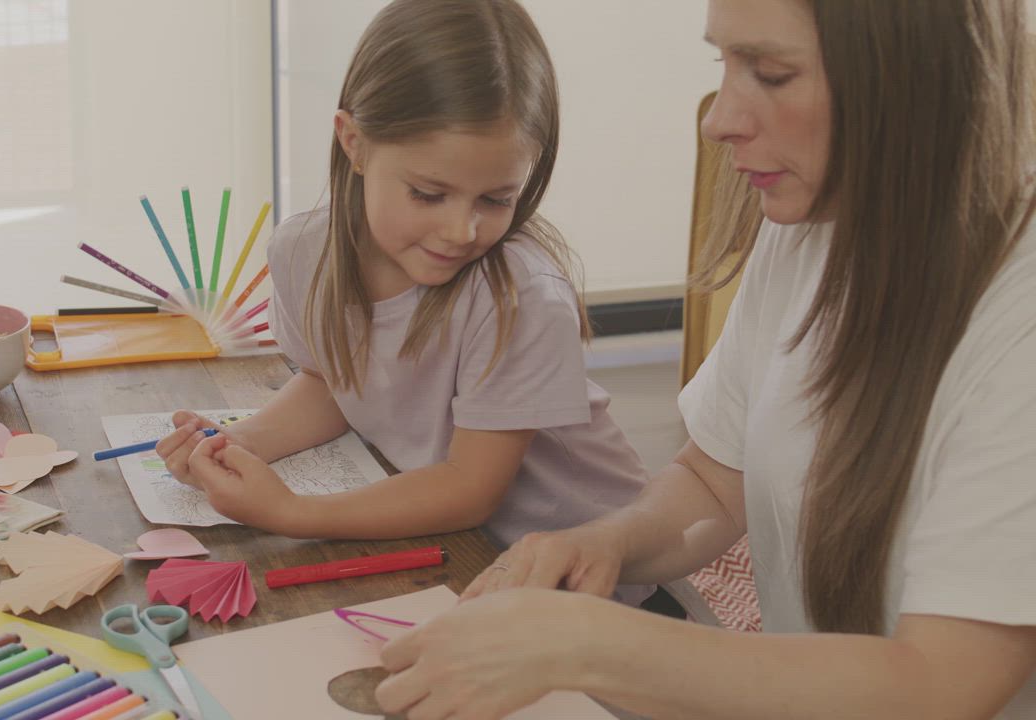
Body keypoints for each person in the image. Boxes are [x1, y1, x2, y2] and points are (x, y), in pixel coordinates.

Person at [373, 1, 1036, 718]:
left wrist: (586, 644)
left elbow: (944, 684)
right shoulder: (815, 223)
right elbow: (717, 480)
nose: (718, 120)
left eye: (772, 74)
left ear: (915, 73)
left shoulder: (1016, 317)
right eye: (724, 64)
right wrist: (607, 542)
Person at [154, 0, 650, 605]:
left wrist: (289, 512)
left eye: (496, 199)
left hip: (583, 580)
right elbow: (333, 384)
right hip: (458, 556)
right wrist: (241, 445)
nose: (462, 231)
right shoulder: (301, 250)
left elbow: (470, 491)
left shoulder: (519, 297)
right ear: (354, 143)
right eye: (429, 193)